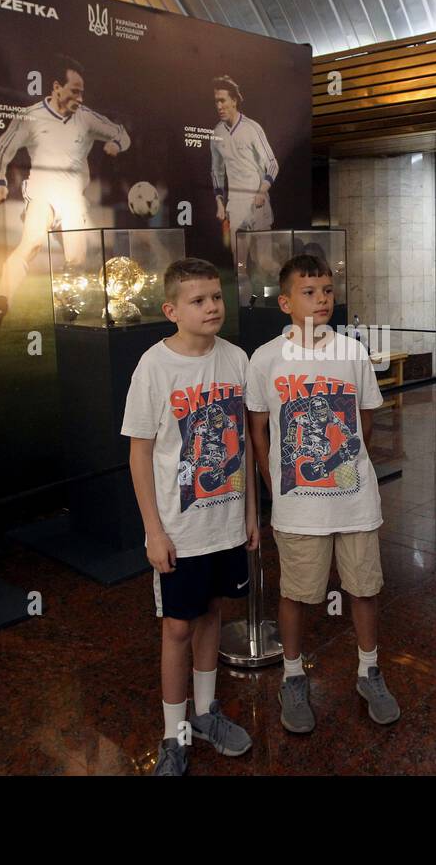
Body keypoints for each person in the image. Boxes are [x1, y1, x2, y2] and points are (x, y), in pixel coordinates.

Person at [245, 254, 399, 735]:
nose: (322, 300)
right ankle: (292, 677)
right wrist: (275, 482)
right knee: (297, 593)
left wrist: (343, 464)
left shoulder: (352, 352)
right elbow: (258, 428)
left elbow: (366, 418)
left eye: (328, 291)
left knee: (364, 587)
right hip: (298, 507)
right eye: (309, 293)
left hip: (354, 500)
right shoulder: (265, 358)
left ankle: (368, 669)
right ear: (285, 302)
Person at [121, 257, 259, 776]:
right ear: (171, 309)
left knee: (212, 615)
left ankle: (206, 713)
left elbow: (242, 441)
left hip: (225, 522)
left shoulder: (236, 359)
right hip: (180, 529)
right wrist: (153, 531)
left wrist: (249, 512)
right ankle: (173, 734)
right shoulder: (154, 367)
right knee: (178, 627)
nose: (211, 308)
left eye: (216, 298)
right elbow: (139, 454)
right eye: (198, 300)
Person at [0, 55, 130, 327]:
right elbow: (2, 149)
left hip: (73, 199)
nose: (80, 98)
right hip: (42, 194)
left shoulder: (86, 119)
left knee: (77, 258)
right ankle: (1, 300)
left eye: (82, 92)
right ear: (56, 87)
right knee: (33, 243)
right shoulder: (31, 117)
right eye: (75, 90)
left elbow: (121, 133)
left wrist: (116, 145)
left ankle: (68, 305)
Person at [211, 75, 277, 238]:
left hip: (257, 203)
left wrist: (262, 192)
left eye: (223, 100)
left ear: (234, 101)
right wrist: (219, 203)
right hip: (235, 205)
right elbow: (216, 172)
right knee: (239, 261)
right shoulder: (216, 133)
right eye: (216, 101)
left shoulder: (252, 128)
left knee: (263, 260)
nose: (219, 106)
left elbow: (273, 164)